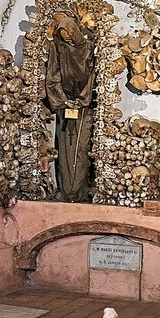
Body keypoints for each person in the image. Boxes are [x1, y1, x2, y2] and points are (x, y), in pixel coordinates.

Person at [45, 12, 96, 202]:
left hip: (84, 108)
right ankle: (66, 189)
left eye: (69, 33)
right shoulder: (58, 50)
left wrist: (82, 99)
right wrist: (64, 101)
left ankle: (80, 190)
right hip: (64, 106)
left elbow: (91, 76)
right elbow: (53, 76)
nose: (66, 38)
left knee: (81, 148)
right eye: (62, 34)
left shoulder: (88, 49)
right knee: (65, 148)